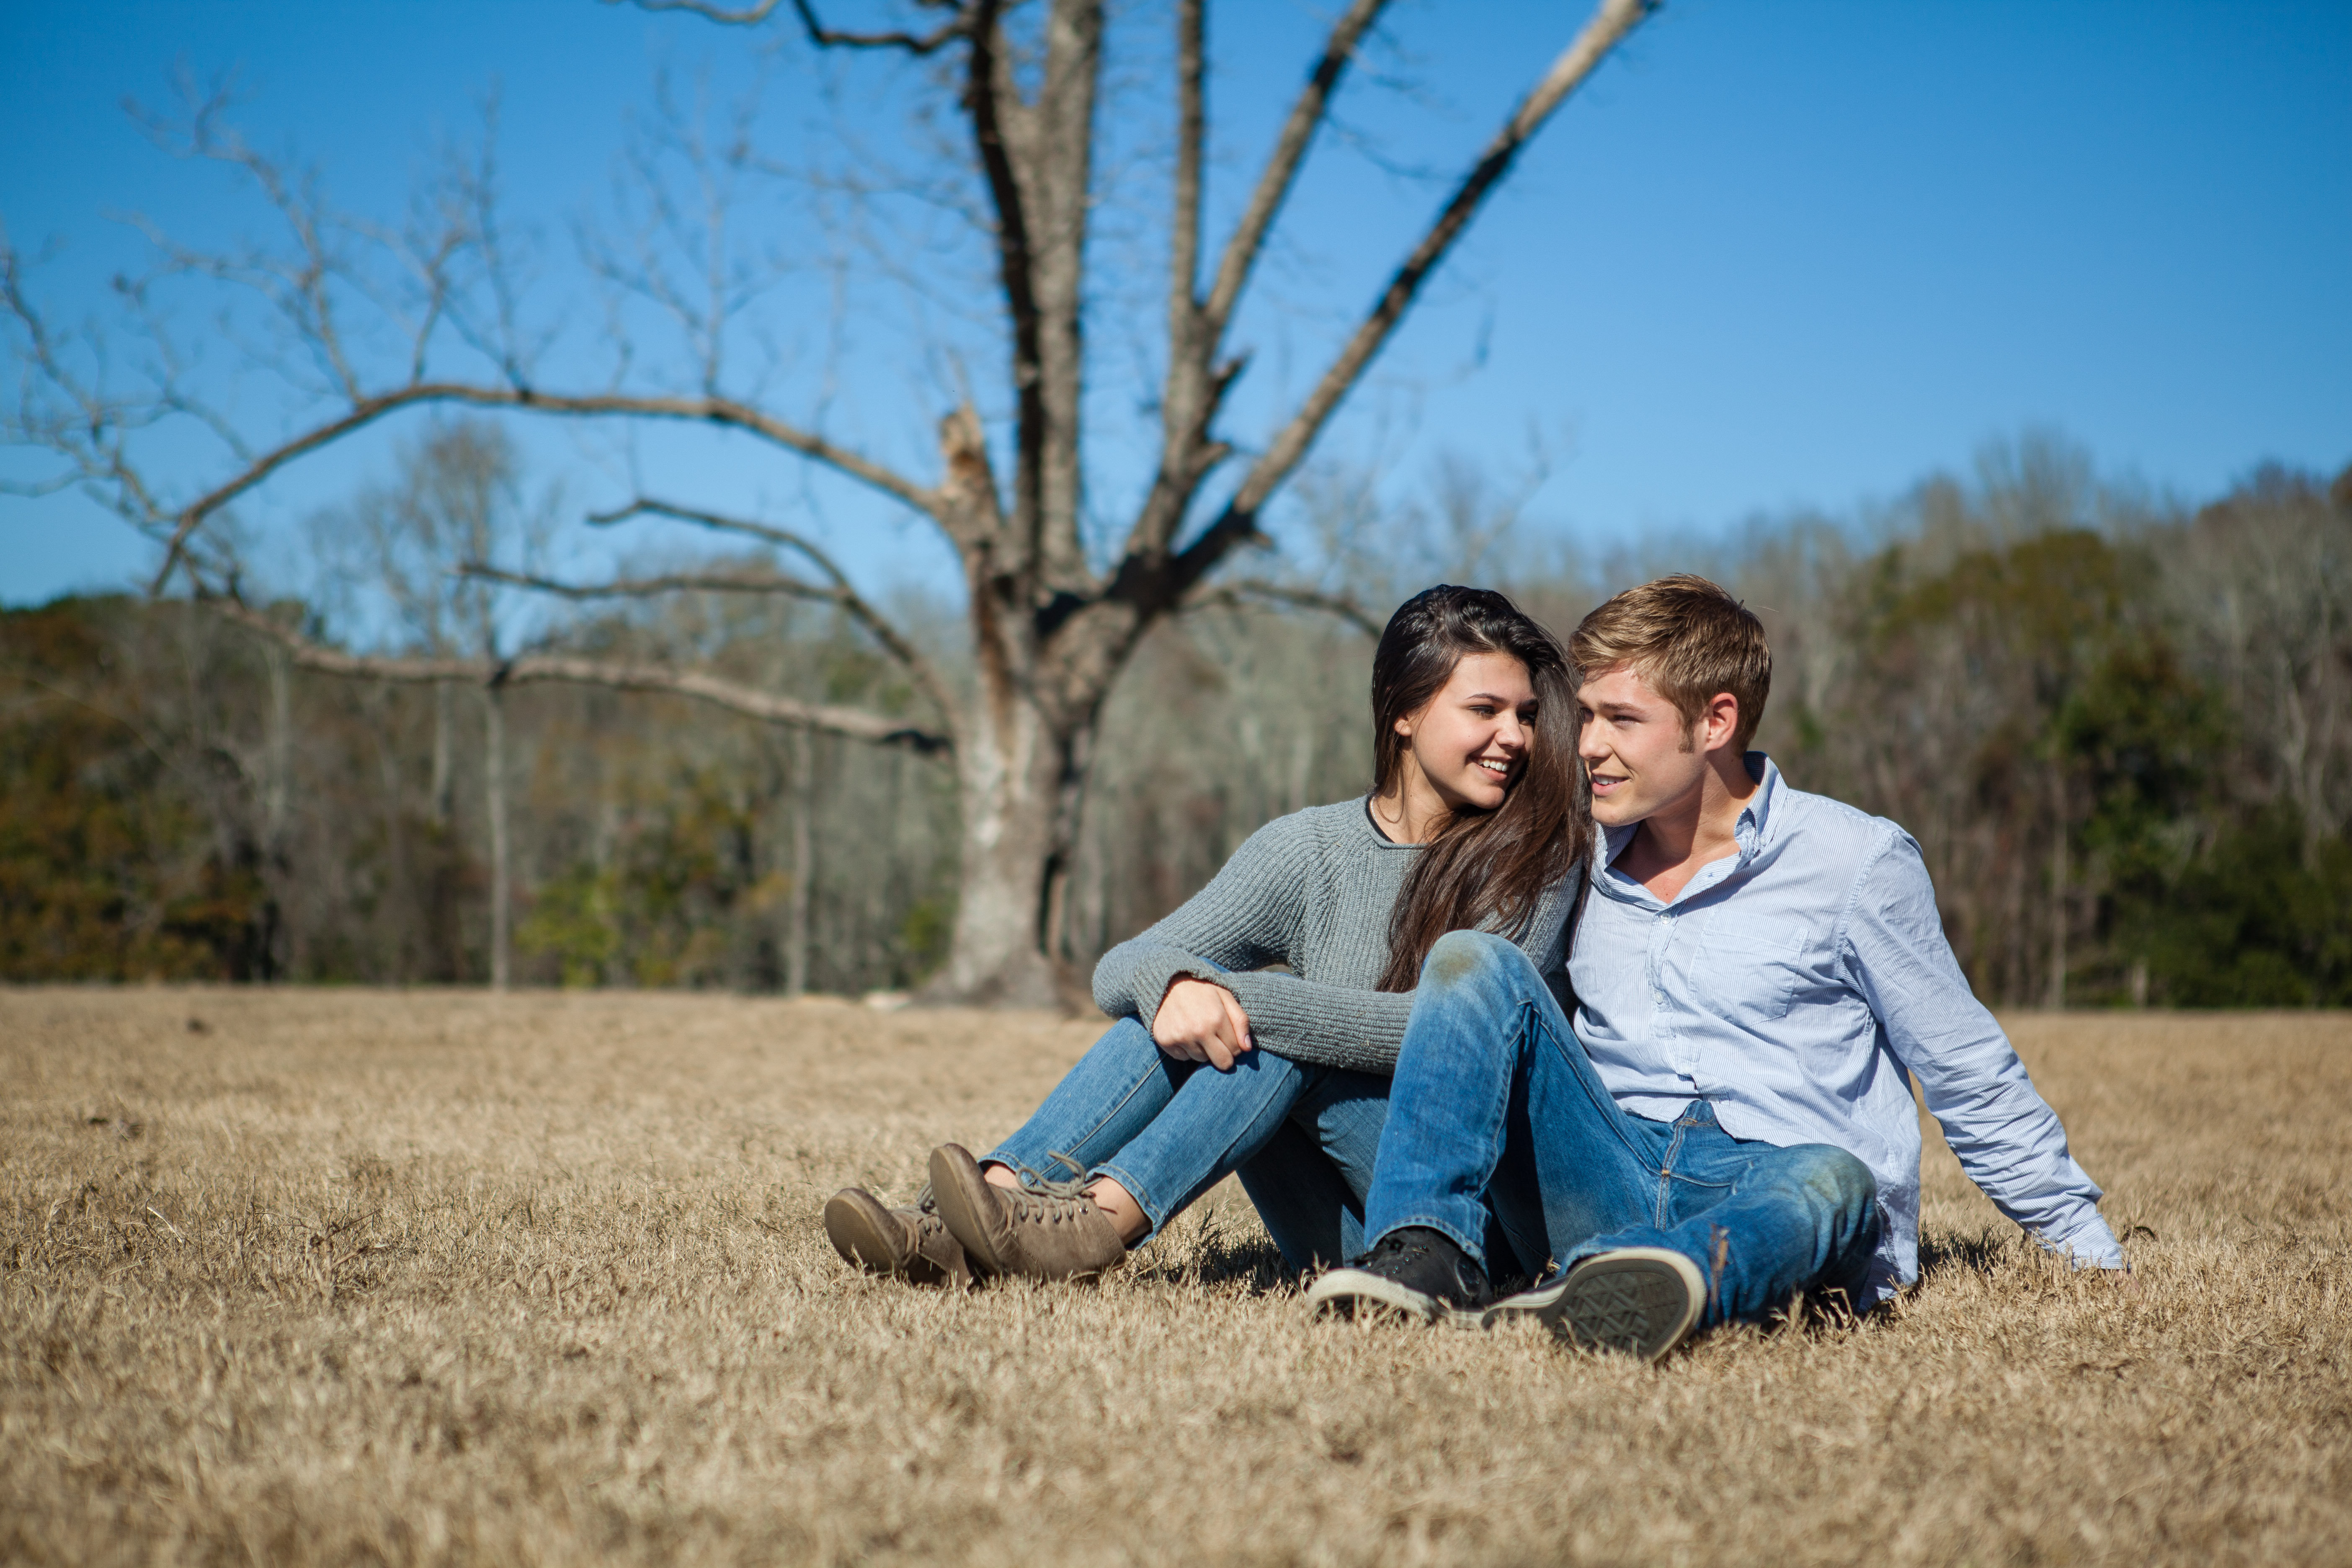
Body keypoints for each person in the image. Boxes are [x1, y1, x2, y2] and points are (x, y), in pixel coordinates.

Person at [1307, 574, 2128, 1360]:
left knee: (1837, 1177)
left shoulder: (1855, 860)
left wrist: (2083, 1246)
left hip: (1774, 1186)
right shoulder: (1574, 853)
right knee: (1472, 963)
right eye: (1586, 715)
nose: (1588, 745)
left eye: (1621, 720)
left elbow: (1962, 1066)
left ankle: (1654, 1286)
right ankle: (1424, 1257)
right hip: (1615, 1165)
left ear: (1716, 721)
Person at [821, 585, 1591, 1287]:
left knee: (1268, 1019)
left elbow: (1442, 1032)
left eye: (1524, 714)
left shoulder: (1539, 855)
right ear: (1405, 710)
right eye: (1485, 710)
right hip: (1347, 1232)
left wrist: (1240, 998)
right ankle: (991, 1206)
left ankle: (1089, 1227)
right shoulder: (1308, 849)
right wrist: (1178, 989)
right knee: (1186, 1000)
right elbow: (1123, 966)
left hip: (1470, 1230)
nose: (1515, 737)